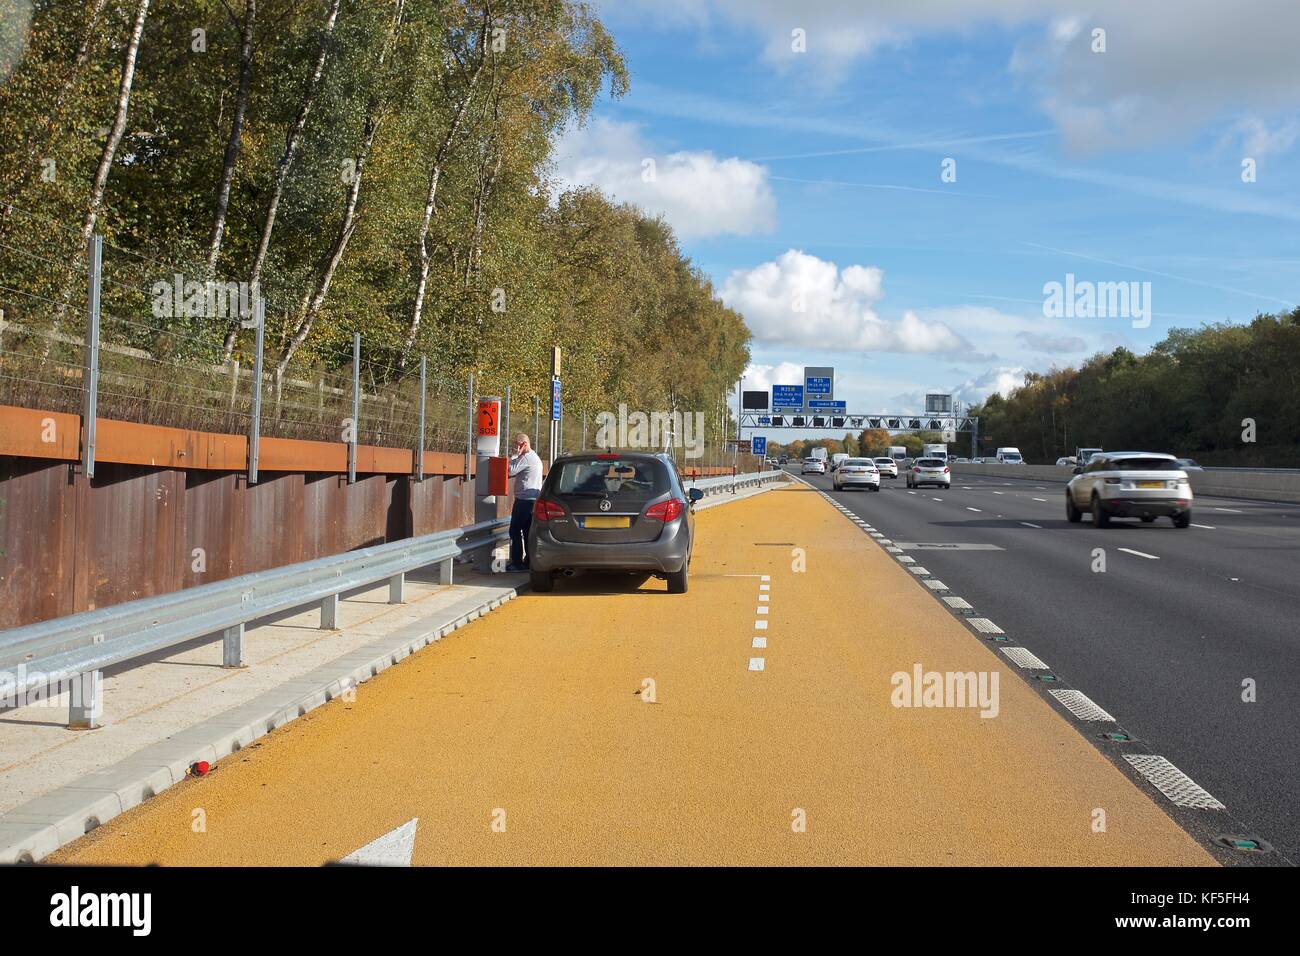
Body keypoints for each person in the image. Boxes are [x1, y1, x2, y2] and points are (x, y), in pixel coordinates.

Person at [505, 433, 543, 572]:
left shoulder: (526, 458)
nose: (515, 447)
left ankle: (517, 562)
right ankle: (529, 561)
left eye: (517, 444)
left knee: (514, 531)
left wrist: (516, 455)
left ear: (524, 444)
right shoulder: (534, 457)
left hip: (524, 500)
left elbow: (509, 470)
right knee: (527, 531)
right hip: (532, 500)